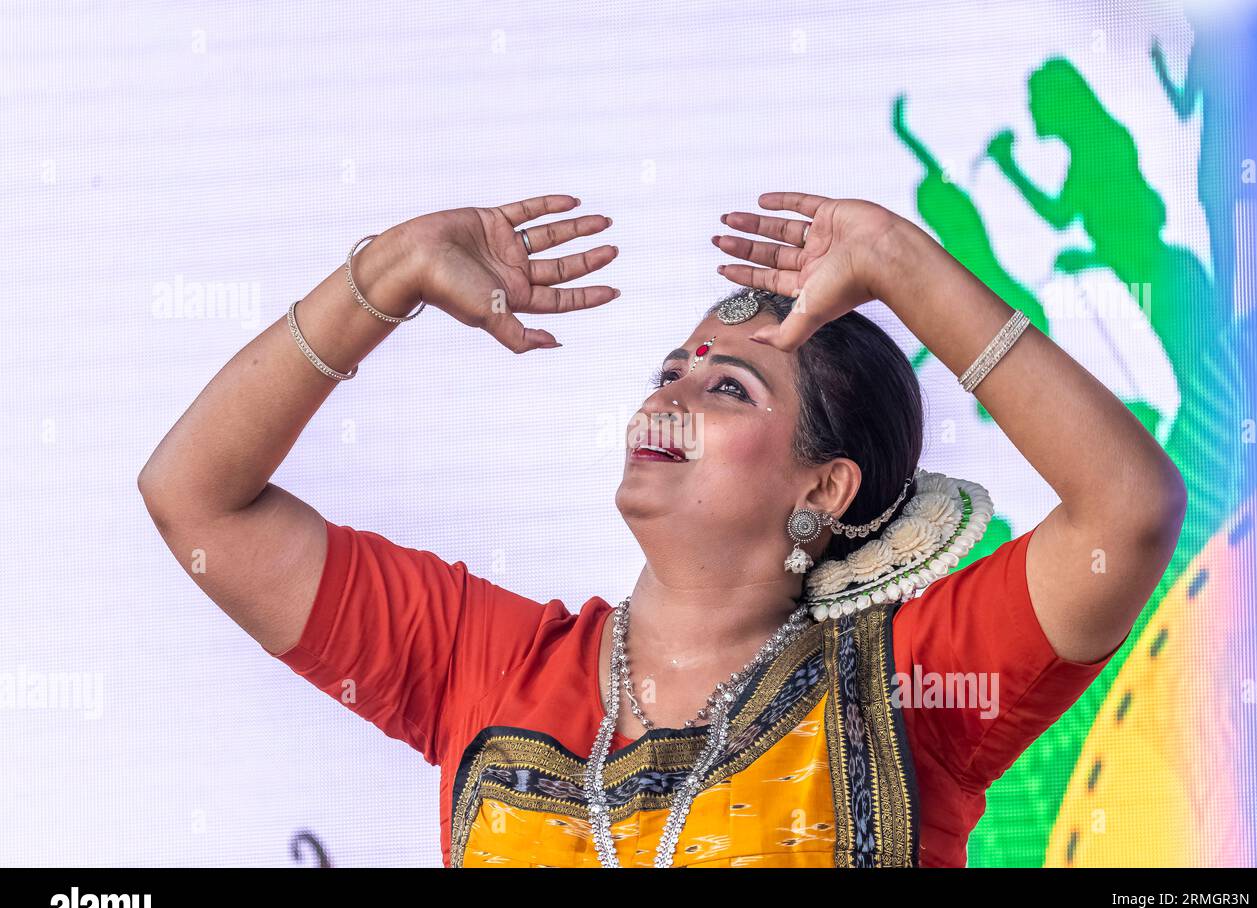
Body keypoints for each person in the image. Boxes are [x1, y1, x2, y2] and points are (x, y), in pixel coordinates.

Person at [138, 192, 1186, 867]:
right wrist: (388, 274)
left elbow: (1126, 512)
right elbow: (198, 503)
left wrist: (899, 265)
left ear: (821, 489)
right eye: (668, 372)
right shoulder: (487, 667)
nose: (672, 395)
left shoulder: (908, 682)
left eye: (727, 387)